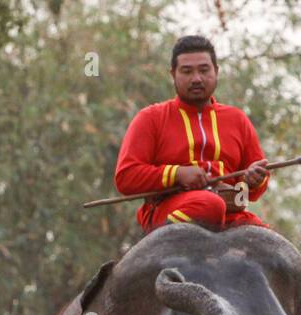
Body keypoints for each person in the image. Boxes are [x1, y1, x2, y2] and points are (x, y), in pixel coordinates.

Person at [114, 34, 272, 233]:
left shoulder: (237, 119)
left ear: (216, 71)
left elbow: (253, 192)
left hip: (232, 215)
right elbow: (126, 177)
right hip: (170, 209)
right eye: (187, 71)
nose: (196, 78)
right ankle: (165, 241)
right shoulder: (150, 118)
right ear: (173, 74)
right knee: (209, 204)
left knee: (278, 250)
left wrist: (253, 180)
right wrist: (177, 174)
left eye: (204, 70)